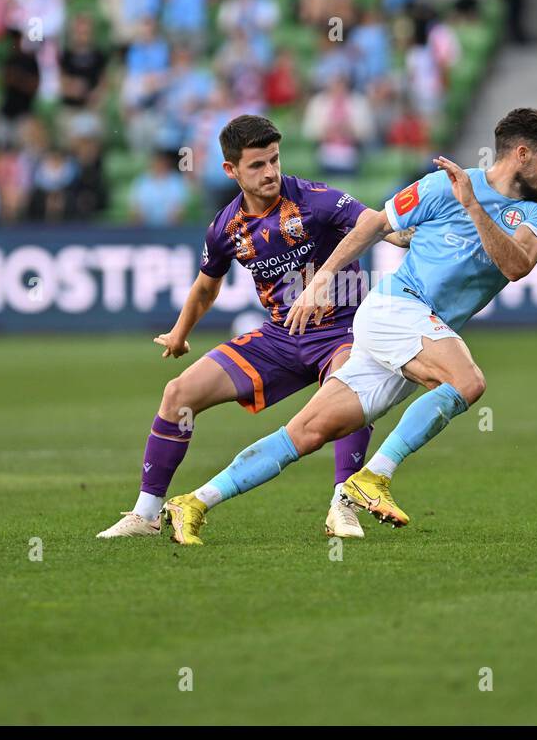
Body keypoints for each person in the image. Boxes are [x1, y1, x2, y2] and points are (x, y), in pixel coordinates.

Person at [158, 109, 537, 545]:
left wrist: (473, 207)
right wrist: (321, 280)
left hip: (420, 332)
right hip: (396, 308)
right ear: (522, 154)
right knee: (467, 381)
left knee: (307, 433)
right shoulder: (442, 186)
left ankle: (194, 502)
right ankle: (374, 477)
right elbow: (374, 224)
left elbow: (516, 266)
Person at [96, 115, 412, 541]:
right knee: (179, 393)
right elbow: (207, 287)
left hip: (343, 331)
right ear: (231, 170)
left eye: (274, 161)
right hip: (280, 336)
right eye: (257, 165)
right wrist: (179, 332)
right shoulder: (225, 227)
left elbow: (376, 225)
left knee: (350, 388)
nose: (270, 173)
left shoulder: (317, 201)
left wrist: (407, 234)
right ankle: (146, 515)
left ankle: (343, 503)